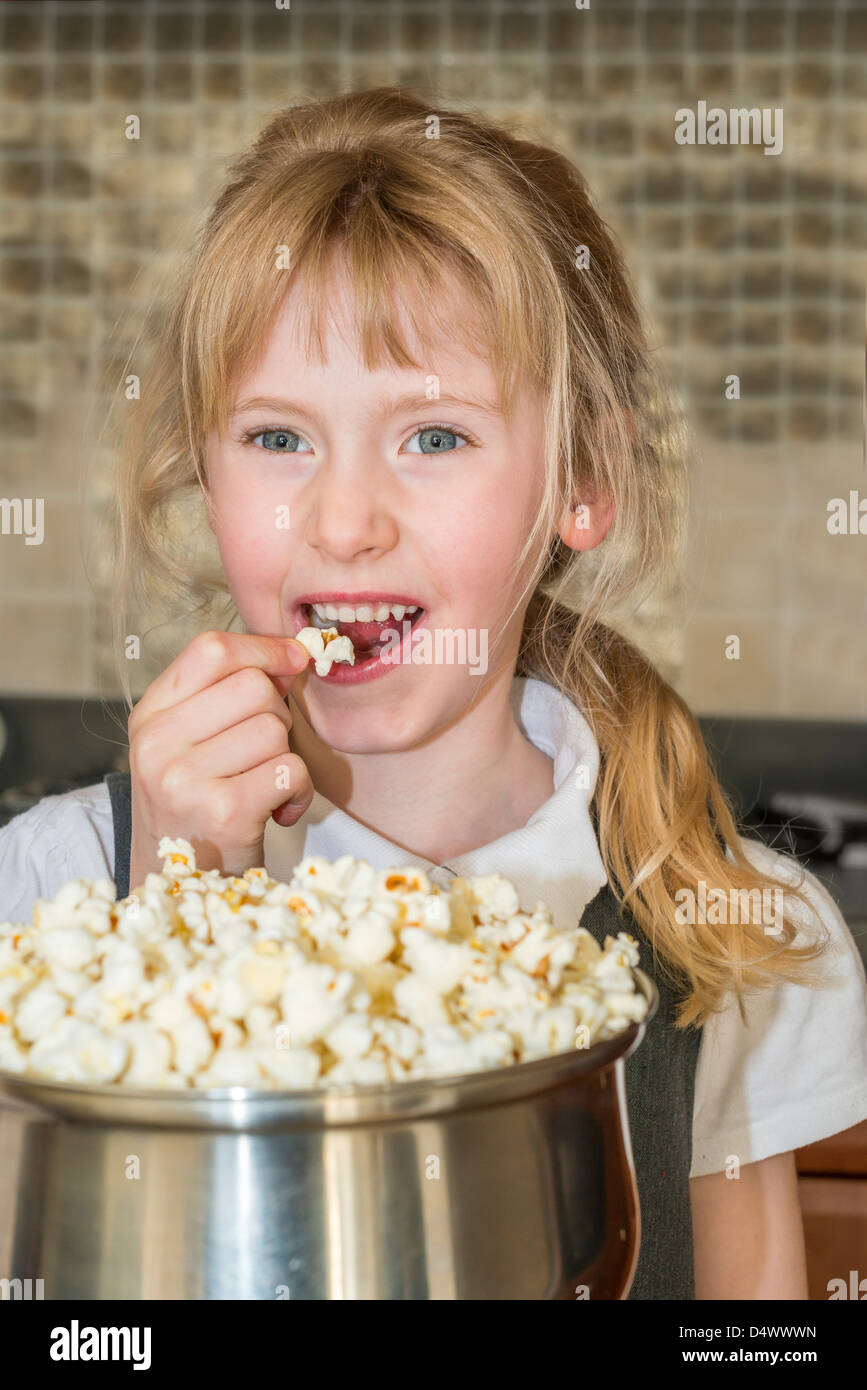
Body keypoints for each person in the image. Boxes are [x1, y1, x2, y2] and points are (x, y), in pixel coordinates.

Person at [2, 88, 865, 1300]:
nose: (345, 522)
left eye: (436, 438)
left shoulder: (734, 933)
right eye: (278, 437)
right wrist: (175, 927)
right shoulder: (46, 905)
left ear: (582, 478)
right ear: (203, 467)